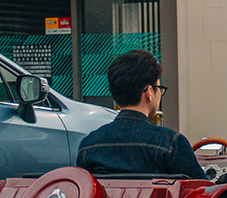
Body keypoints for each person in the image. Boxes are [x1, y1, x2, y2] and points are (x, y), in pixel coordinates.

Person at [75, 49, 208, 180]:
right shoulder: (172, 143)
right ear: (149, 92)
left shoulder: (89, 144)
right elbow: (203, 191)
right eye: (159, 89)